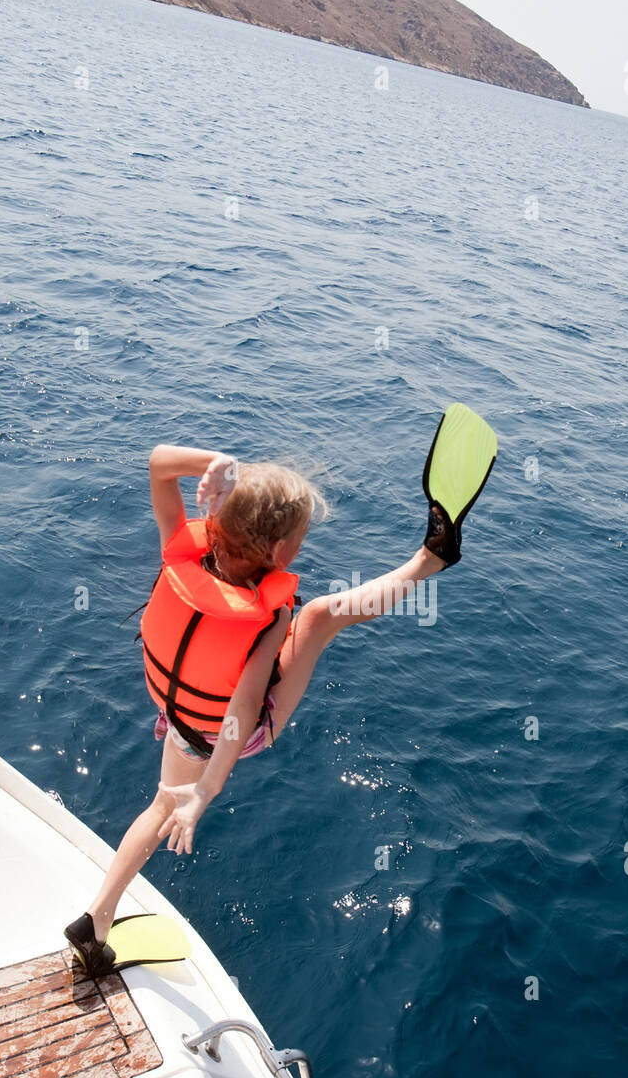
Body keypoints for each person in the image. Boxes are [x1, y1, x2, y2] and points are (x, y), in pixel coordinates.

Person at [65, 408, 496, 977]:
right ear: (279, 555)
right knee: (319, 616)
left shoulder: (182, 544)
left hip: (176, 715)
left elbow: (157, 463)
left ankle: (97, 916)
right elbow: (245, 708)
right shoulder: (271, 618)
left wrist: (214, 463)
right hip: (230, 735)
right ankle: (428, 561)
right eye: (299, 537)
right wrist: (208, 794)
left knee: (160, 803)